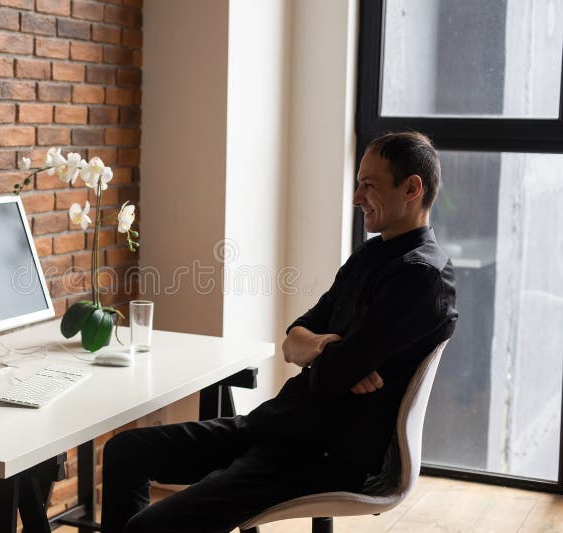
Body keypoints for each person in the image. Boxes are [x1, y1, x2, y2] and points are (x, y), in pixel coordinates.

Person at [101, 131, 458, 533]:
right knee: (124, 451)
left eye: (368, 185)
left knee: (146, 528)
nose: (356, 198)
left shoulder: (421, 277)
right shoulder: (370, 256)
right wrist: (326, 346)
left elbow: (331, 376)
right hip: (277, 427)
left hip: (318, 455)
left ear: (411, 188)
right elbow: (294, 336)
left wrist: (325, 356)